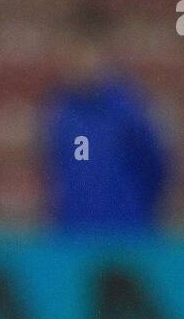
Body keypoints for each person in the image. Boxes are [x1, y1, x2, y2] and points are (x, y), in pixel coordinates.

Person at [44, 17, 170, 230]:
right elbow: (55, 169)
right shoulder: (60, 113)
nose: (82, 64)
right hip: (73, 231)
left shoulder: (130, 110)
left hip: (127, 228)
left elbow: (156, 167)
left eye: (87, 55)